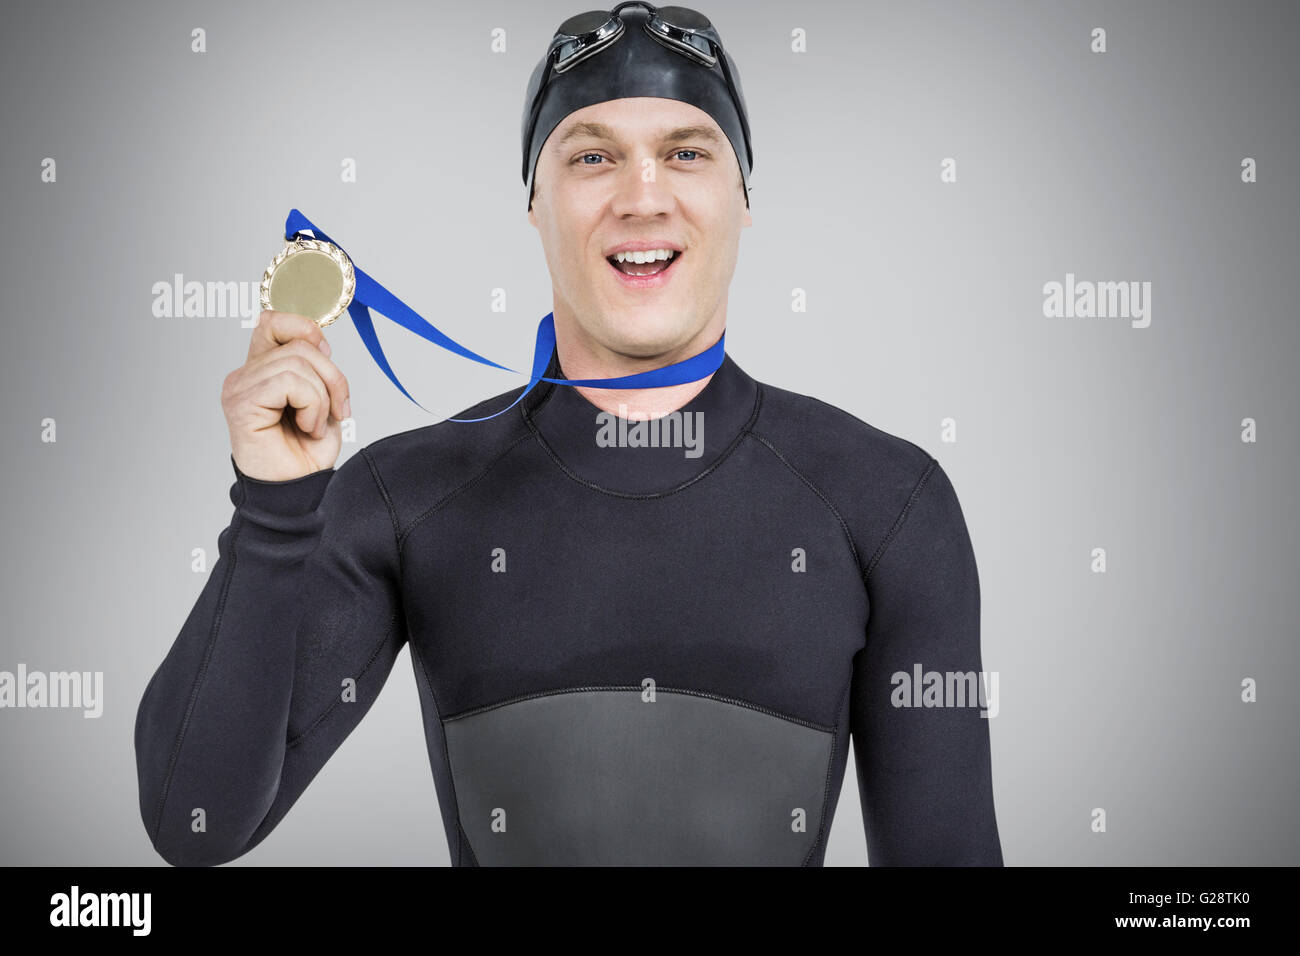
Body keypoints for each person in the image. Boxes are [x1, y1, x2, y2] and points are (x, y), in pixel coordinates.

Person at [135, 2, 1003, 866]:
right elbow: (194, 822)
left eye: (686, 153)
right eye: (593, 156)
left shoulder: (887, 503)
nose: (642, 196)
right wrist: (275, 508)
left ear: (743, 199)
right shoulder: (408, 497)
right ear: (534, 206)